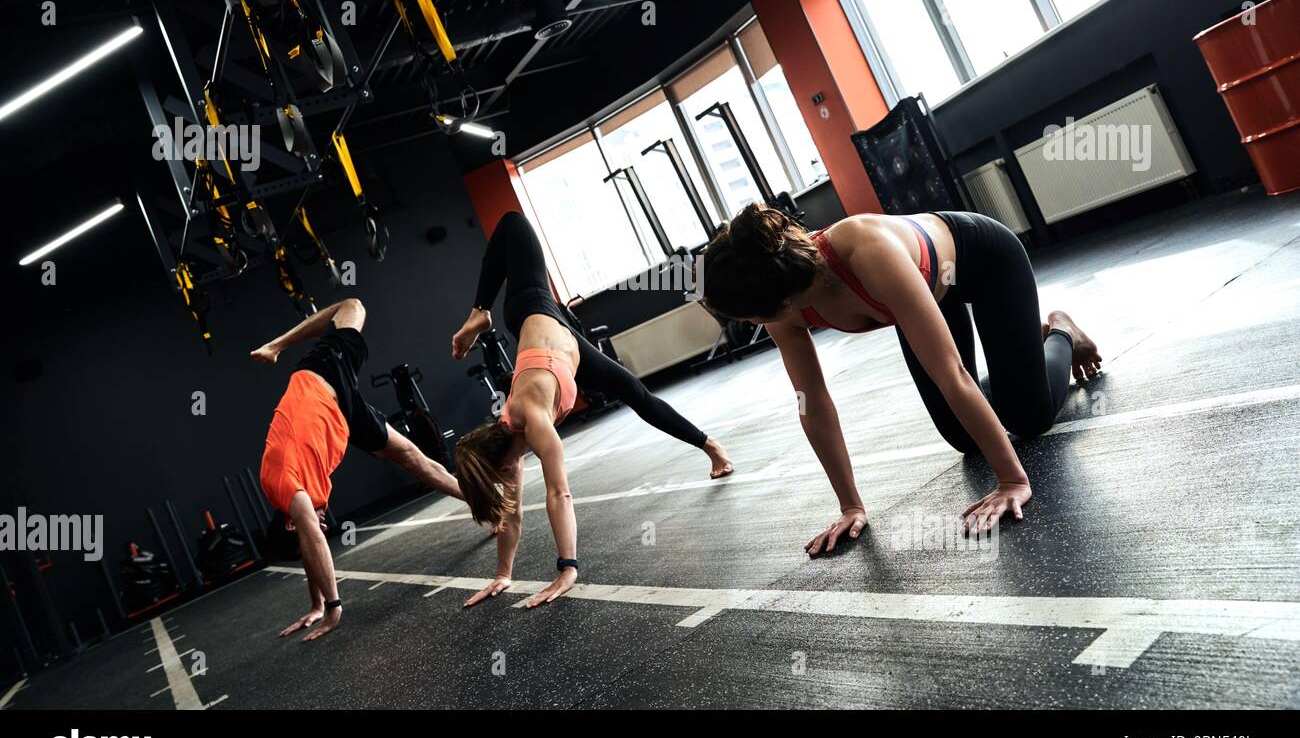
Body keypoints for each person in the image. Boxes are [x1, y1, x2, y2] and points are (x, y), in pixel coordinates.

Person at [700, 204, 1102, 554]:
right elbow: (812, 401)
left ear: (782, 301)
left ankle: (1061, 330)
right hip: (925, 291)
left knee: (1027, 417)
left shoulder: (867, 252)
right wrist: (850, 506)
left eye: (748, 317)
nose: (749, 325)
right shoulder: (782, 308)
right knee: (964, 438)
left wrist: (1012, 480)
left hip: (982, 261)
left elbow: (952, 374)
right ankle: (1017, 355)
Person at [451, 211, 732, 609]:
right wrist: (502, 575)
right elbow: (511, 518)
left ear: (502, 461)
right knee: (633, 392)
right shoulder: (506, 444)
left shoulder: (532, 420)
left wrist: (567, 568)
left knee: (513, 221)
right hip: (566, 346)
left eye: (504, 476)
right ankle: (713, 448)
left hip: (532, 307)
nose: (511, 480)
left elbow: (559, 494)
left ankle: (713, 447)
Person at [252, 298, 461, 641]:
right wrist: (315, 605)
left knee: (352, 305)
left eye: (306, 526)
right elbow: (308, 543)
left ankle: (275, 346)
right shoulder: (294, 504)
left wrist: (333, 607)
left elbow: (312, 536)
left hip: (320, 375)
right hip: (342, 413)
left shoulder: (283, 486)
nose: (320, 523)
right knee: (411, 456)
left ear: (289, 521)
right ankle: (481, 501)